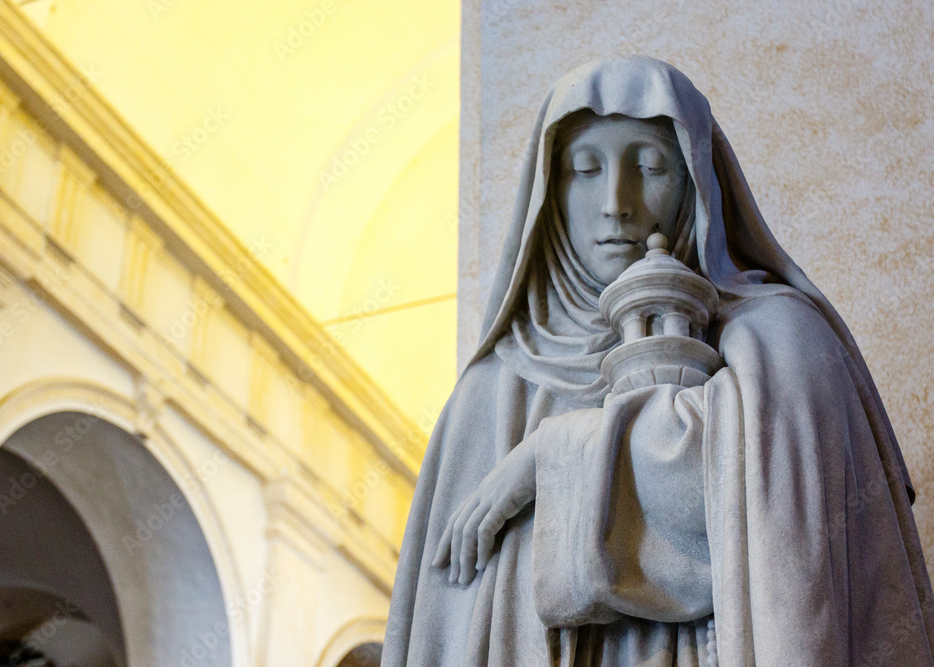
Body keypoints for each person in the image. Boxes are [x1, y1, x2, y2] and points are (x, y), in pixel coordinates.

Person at [382, 56, 934, 666]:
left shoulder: (781, 335)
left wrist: (551, 456)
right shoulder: (489, 395)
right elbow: (445, 624)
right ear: (548, 192)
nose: (616, 202)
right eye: (584, 170)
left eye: (649, 167)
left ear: (696, 182)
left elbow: (779, 517)